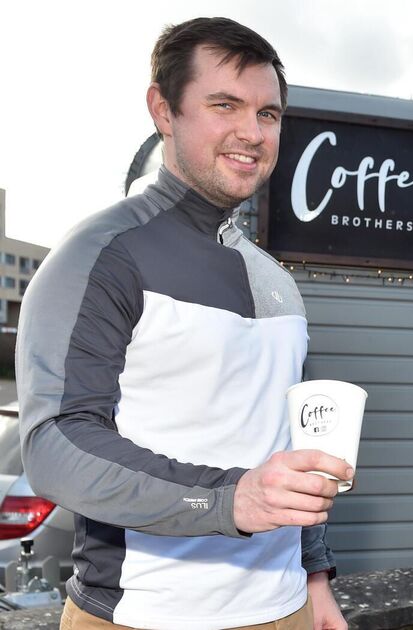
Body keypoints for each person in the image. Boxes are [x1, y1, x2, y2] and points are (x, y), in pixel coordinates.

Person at [17, 17, 352, 629]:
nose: (251, 133)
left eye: (268, 114)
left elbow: (283, 443)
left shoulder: (275, 279)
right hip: (144, 616)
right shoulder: (100, 256)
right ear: (163, 109)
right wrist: (230, 499)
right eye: (224, 105)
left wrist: (314, 575)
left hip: (287, 609)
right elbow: (55, 445)